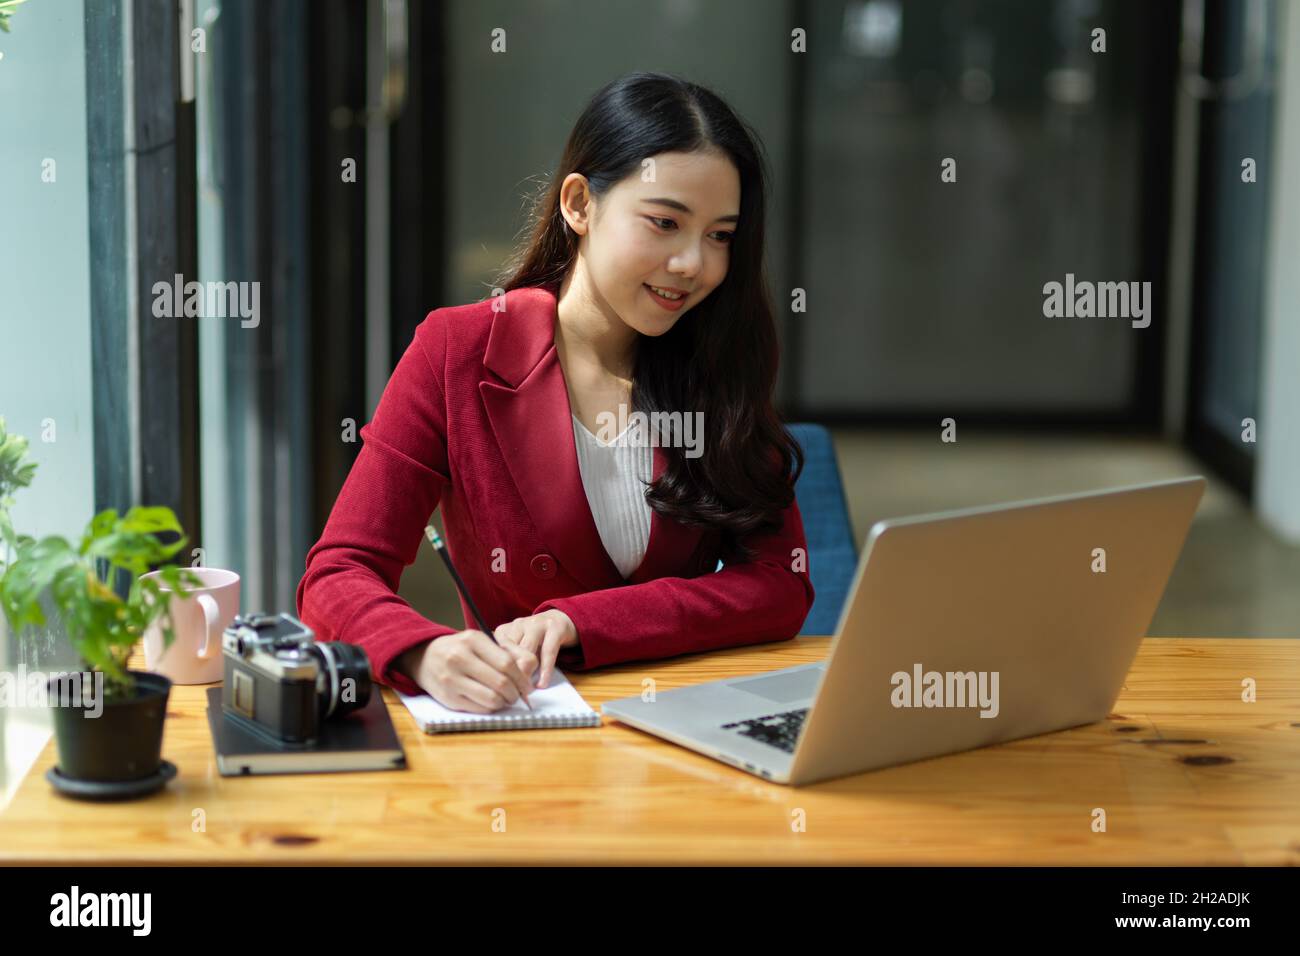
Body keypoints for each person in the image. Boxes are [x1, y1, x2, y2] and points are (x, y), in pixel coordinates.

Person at [296, 71, 814, 714]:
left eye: (720, 235)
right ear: (579, 205)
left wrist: (581, 622)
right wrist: (420, 650)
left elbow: (778, 585)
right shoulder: (458, 350)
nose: (693, 264)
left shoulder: (718, 361)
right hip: (533, 731)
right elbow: (339, 571)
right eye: (664, 222)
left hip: (690, 723)